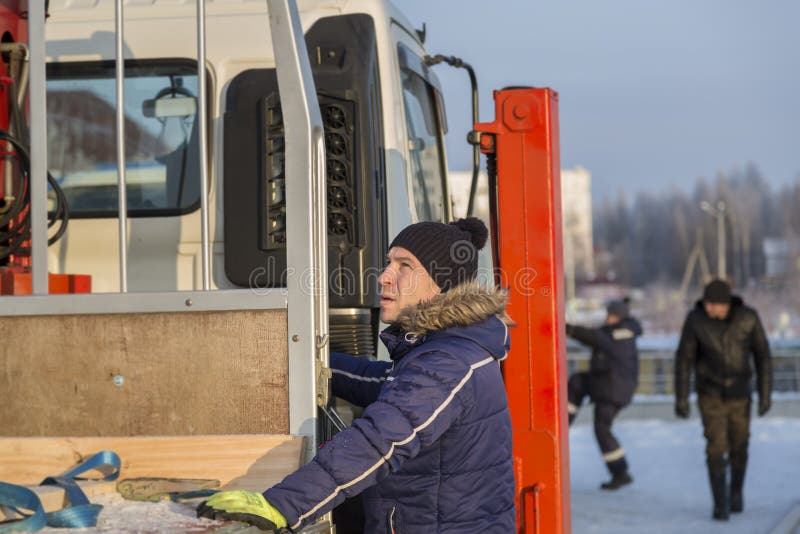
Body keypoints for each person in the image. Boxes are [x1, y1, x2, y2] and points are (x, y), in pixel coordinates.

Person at [197, 217, 515, 533]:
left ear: (440, 285)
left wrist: (282, 505)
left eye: (405, 266)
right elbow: (384, 382)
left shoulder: (447, 362)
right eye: (389, 262)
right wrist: (308, 362)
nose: (385, 276)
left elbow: (377, 440)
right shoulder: (449, 349)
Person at [675, 279, 772, 521]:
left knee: (740, 445)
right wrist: (681, 396)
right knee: (716, 447)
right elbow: (684, 359)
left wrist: (765, 393)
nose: (709, 308)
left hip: (740, 393)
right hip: (710, 394)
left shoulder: (748, 318)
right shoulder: (695, 320)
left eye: (714, 304)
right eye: (707, 303)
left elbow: (763, 356)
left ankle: (736, 492)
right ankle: (720, 504)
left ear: (725, 303)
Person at [566, 299, 642, 490]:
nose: (609, 318)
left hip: (612, 388)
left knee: (602, 428)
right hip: (609, 384)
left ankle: (621, 472)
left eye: (613, 315)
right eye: (609, 315)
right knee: (578, 382)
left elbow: (594, 337)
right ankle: (620, 472)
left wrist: (566, 328)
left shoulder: (619, 334)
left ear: (621, 318)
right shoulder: (621, 331)